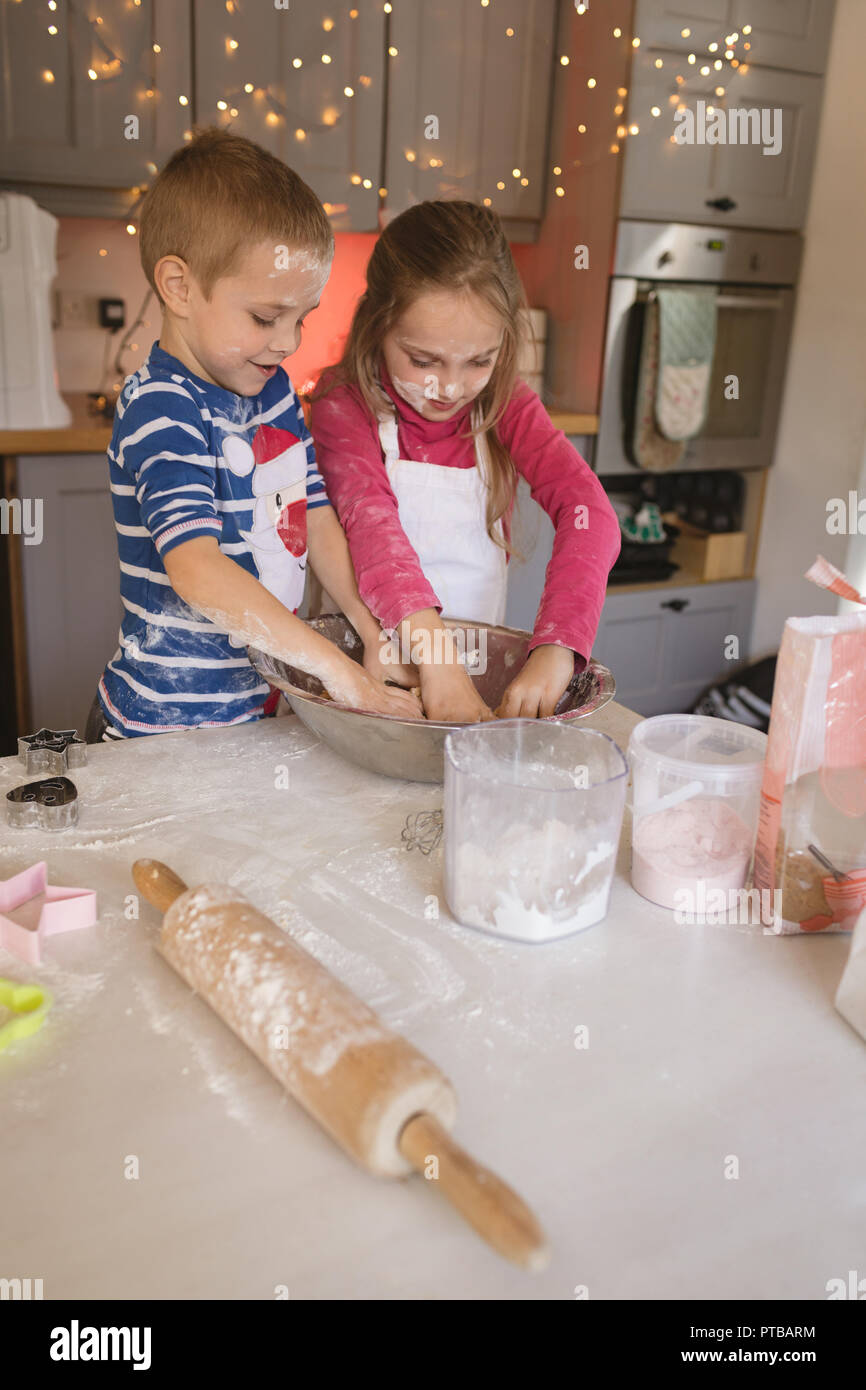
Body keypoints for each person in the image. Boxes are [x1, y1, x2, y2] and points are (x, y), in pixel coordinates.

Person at [87, 128, 418, 740]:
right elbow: (196, 568)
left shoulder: (274, 392)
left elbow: (314, 514)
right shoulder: (162, 405)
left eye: (302, 318)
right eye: (266, 317)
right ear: (179, 288)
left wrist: (374, 637)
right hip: (168, 728)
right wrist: (342, 679)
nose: (289, 341)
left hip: (260, 709)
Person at [309, 199, 621, 724]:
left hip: (462, 682)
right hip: (363, 679)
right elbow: (373, 528)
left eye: (479, 360)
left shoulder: (504, 405)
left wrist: (558, 647)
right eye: (423, 360)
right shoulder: (345, 405)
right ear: (377, 326)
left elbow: (588, 510)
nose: (450, 388)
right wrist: (438, 666)